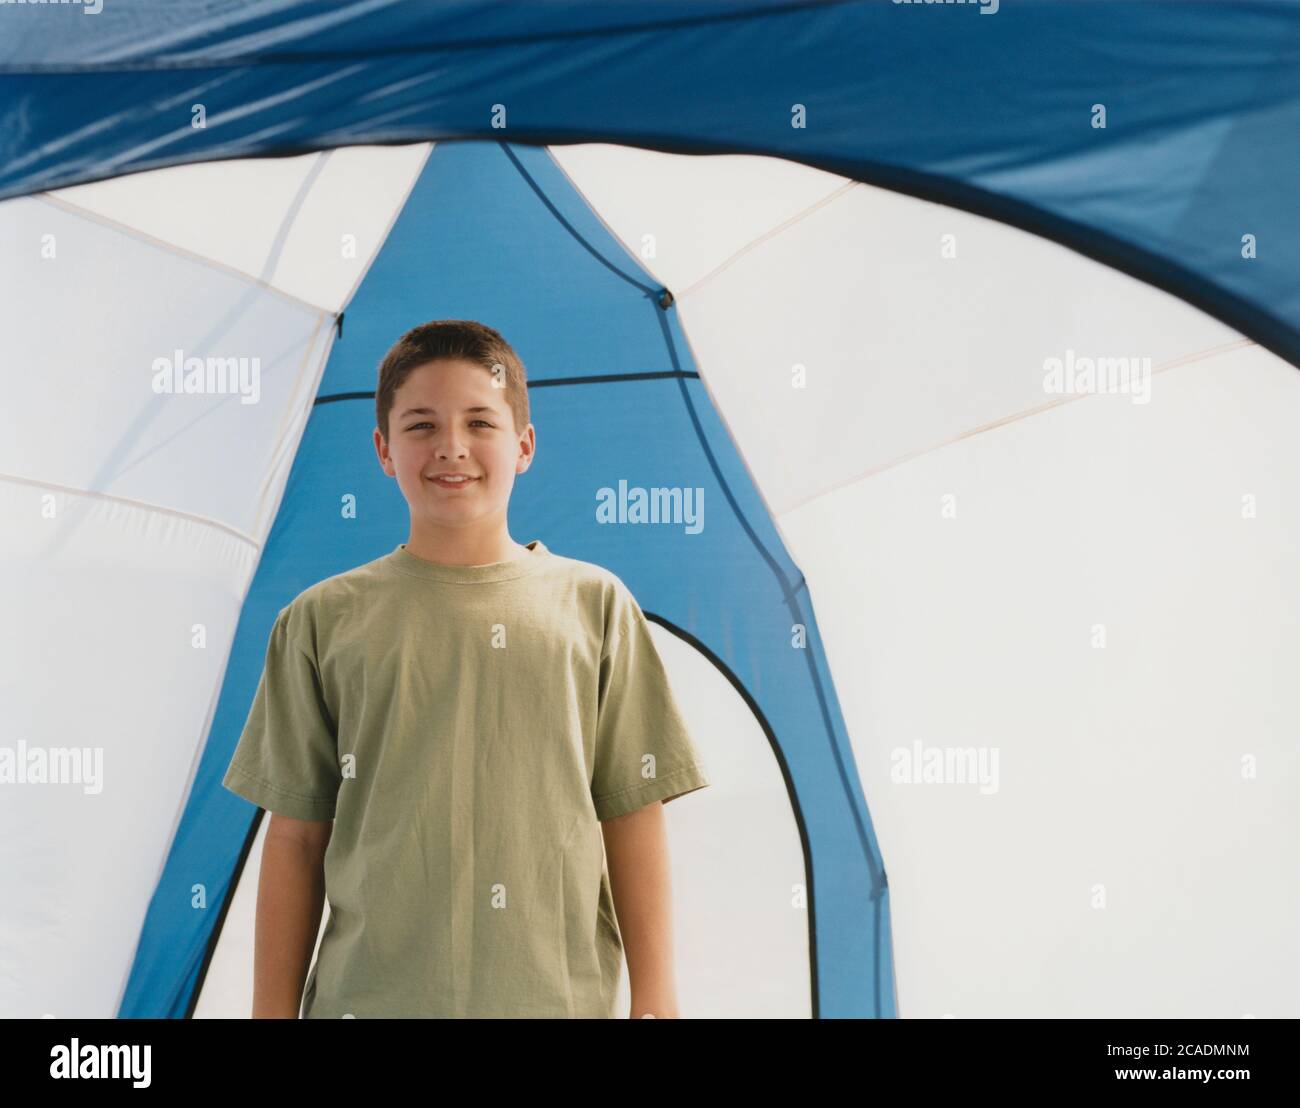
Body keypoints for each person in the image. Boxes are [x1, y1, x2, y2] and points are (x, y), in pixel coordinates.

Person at [222, 319, 711, 1018]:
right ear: (384, 451)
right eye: (421, 426)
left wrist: (657, 1002)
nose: (451, 446)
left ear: (525, 445)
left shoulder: (597, 606)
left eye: (480, 421)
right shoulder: (319, 621)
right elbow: (297, 838)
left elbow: (633, 812)